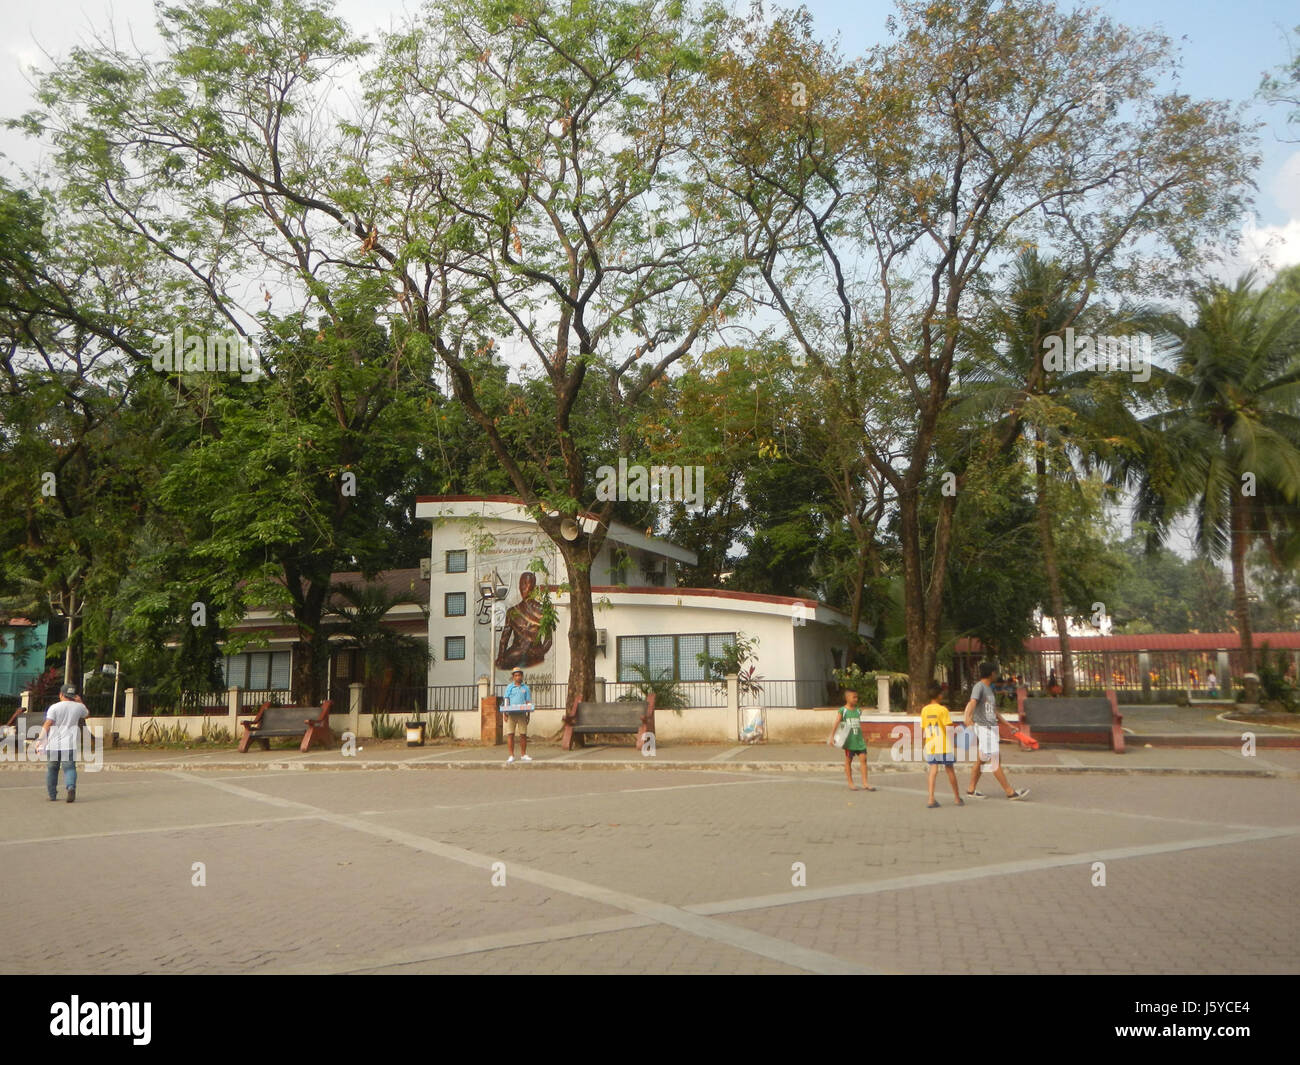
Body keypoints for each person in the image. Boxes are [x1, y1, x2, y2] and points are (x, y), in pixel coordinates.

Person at [963, 661, 1029, 801]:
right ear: (991, 673)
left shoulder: (989, 689)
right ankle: (1010, 792)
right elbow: (972, 702)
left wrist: (1007, 725)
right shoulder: (979, 687)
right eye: (996, 672)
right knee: (995, 760)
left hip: (990, 728)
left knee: (982, 760)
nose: (997, 675)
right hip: (984, 728)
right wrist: (967, 717)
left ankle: (971, 790)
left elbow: (994, 711)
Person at [41, 685, 88, 803]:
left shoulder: (54, 707)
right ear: (73, 696)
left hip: (53, 744)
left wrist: (41, 739)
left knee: (52, 769)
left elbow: (48, 723)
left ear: (61, 694)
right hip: (69, 744)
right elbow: (87, 714)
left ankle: (52, 795)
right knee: (70, 768)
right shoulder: (79, 707)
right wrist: (80, 701)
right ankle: (71, 787)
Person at [921, 682, 963, 809]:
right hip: (943, 745)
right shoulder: (943, 710)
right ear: (939, 695)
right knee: (949, 770)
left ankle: (931, 799)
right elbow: (949, 727)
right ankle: (956, 798)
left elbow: (924, 728)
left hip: (931, 744)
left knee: (933, 770)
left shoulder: (924, 710)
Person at [827, 688, 874, 791]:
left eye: (857, 697)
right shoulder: (843, 711)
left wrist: (865, 736)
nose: (856, 699)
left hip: (859, 740)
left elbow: (859, 724)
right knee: (849, 760)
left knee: (864, 759)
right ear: (847, 698)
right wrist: (832, 736)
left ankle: (865, 783)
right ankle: (850, 782)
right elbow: (837, 723)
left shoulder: (858, 711)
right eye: (854, 697)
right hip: (849, 741)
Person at [502, 668, 533, 764]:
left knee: (523, 734)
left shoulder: (525, 688)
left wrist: (528, 715)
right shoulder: (509, 687)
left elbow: (528, 702)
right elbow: (506, 700)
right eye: (516, 675)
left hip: (522, 714)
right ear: (513, 677)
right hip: (511, 714)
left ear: (522, 676)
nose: (518, 677)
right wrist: (505, 714)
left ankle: (523, 755)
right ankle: (511, 755)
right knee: (510, 734)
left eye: (519, 675)